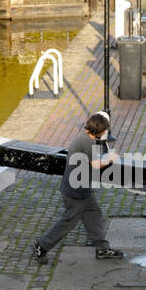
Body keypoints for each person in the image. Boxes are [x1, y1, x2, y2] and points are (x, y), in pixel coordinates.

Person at [32, 112, 124, 263]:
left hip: (81, 188)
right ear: (99, 130)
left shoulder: (85, 139)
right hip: (75, 191)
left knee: (93, 213)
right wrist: (110, 158)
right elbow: (95, 164)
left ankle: (102, 248)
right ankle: (41, 245)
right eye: (105, 130)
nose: (106, 132)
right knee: (69, 221)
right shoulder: (87, 142)